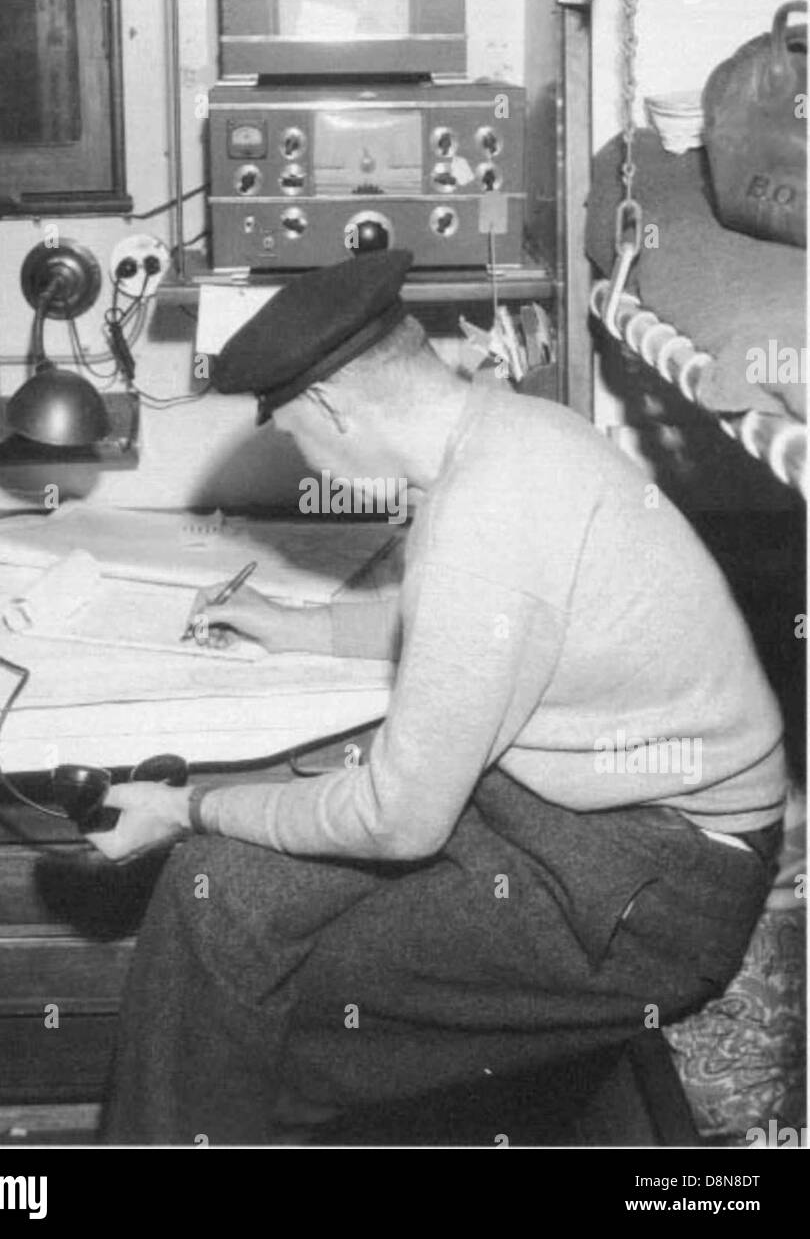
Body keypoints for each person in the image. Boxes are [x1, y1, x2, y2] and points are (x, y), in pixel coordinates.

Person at [91, 250, 786, 1145]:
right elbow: (478, 637)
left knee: (249, 977)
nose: (302, 454)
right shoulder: (513, 428)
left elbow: (397, 823)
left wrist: (188, 804)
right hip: (584, 819)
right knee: (218, 892)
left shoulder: (481, 519)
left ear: (333, 407)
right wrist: (298, 627)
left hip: (656, 891)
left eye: (294, 432)